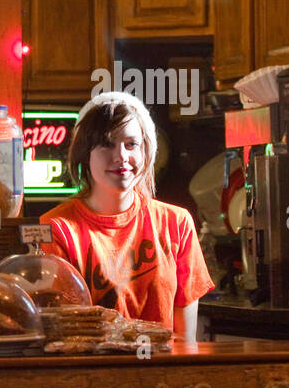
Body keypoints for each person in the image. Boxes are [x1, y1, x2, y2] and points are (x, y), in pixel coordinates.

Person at [40, 91, 212, 342]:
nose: (121, 157)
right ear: (84, 154)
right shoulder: (56, 228)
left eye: (131, 144)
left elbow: (186, 339)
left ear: (146, 152)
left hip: (162, 373)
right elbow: (63, 334)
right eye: (107, 144)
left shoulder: (177, 223)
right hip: (91, 374)